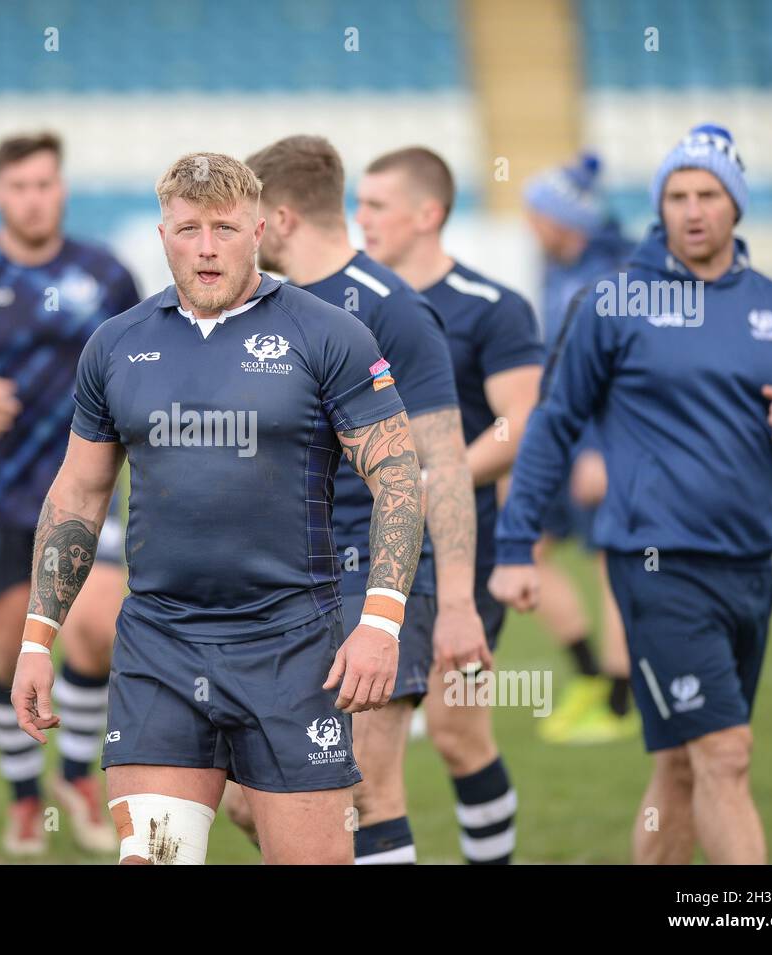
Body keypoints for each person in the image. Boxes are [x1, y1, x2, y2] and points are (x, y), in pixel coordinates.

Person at [11, 151, 425, 864]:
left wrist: (381, 621)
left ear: (259, 229)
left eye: (226, 228)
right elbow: (77, 496)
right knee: (155, 859)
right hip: (160, 649)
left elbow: (398, 474)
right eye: (188, 228)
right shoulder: (117, 345)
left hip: (293, 649)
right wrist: (35, 638)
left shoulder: (326, 334)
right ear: (163, 232)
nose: (206, 247)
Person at [491, 124, 772, 863]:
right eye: (677, 195)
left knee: (683, 765)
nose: (692, 209)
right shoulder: (615, 302)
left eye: (708, 194)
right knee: (727, 753)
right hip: (657, 564)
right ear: (660, 206)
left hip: (751, 562)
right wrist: (515, 542)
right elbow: (554, 424)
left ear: (736, 205)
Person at [235, 136, 495, 864]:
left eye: (252, 218)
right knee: (249, 798)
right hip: (279, 585)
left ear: (281, 218)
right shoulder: (258, 307)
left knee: (364, 790)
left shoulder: (393, 310)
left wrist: (458, 605)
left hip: (375, 574)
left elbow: (441, 466)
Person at [0, 132, 141, 855]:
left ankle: (74, 773)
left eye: (45, 184)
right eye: (19, 186)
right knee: (9, 647)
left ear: (62, 188)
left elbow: (145, 359)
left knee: (98, 626)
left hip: (87, 491)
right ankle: (21, 797)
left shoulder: (105, 273)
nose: (33, 198)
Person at [354, 145, 545, 863]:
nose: (361, 218)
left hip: (460, 547)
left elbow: (520, 422)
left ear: (427, 213)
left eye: (377, 205)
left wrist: (435, 476)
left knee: (458, 732)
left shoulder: (492, 307)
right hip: (361, 550)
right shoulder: (351, 304)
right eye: (359, 202)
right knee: (357, 743)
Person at [523, 153, 637, 743]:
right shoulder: (555, 264)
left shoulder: (611, 274)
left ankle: (618, 703)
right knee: (526, 550)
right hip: (561, 437)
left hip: (601, 444)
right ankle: (590, 676)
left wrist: (598, 449)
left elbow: (612, 372)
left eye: (535, 211)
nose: (527, 221)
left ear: (561, 217)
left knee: (608, 562)